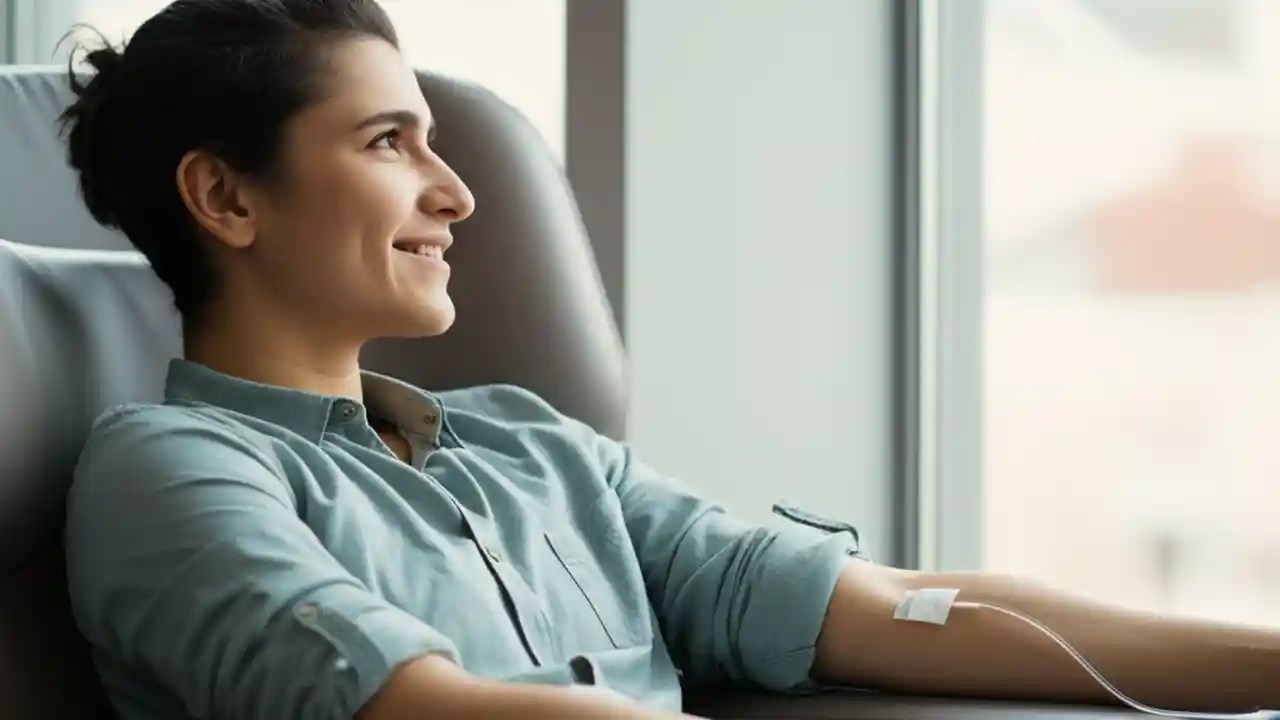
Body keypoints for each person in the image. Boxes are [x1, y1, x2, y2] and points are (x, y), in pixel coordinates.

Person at [58, 1, 1278, 719]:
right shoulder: (168, 472)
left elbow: (889, 607)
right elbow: (419, 709)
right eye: (389, 142)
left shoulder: (529, 446)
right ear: (224, 196)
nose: (457, 192)